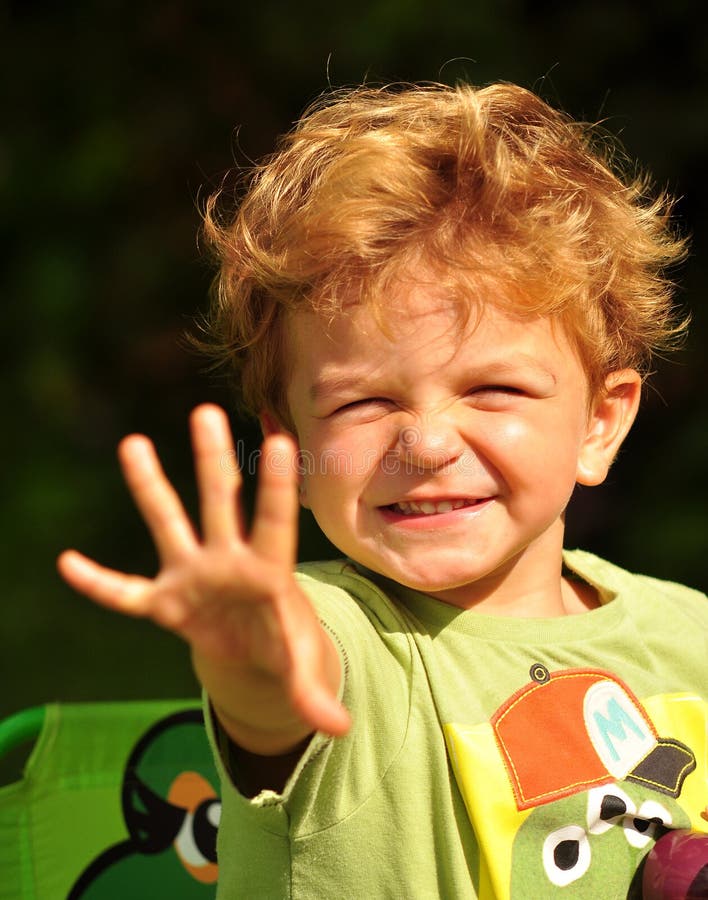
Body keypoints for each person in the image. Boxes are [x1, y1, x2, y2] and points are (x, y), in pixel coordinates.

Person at [58, 82, 708, 898]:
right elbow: (287, 687)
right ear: (291, 450)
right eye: (363, 402)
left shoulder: (692, 633)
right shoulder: (345, 638)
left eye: (494, 390)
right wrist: (254, 652)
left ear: (599, 424)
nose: (428, 444)